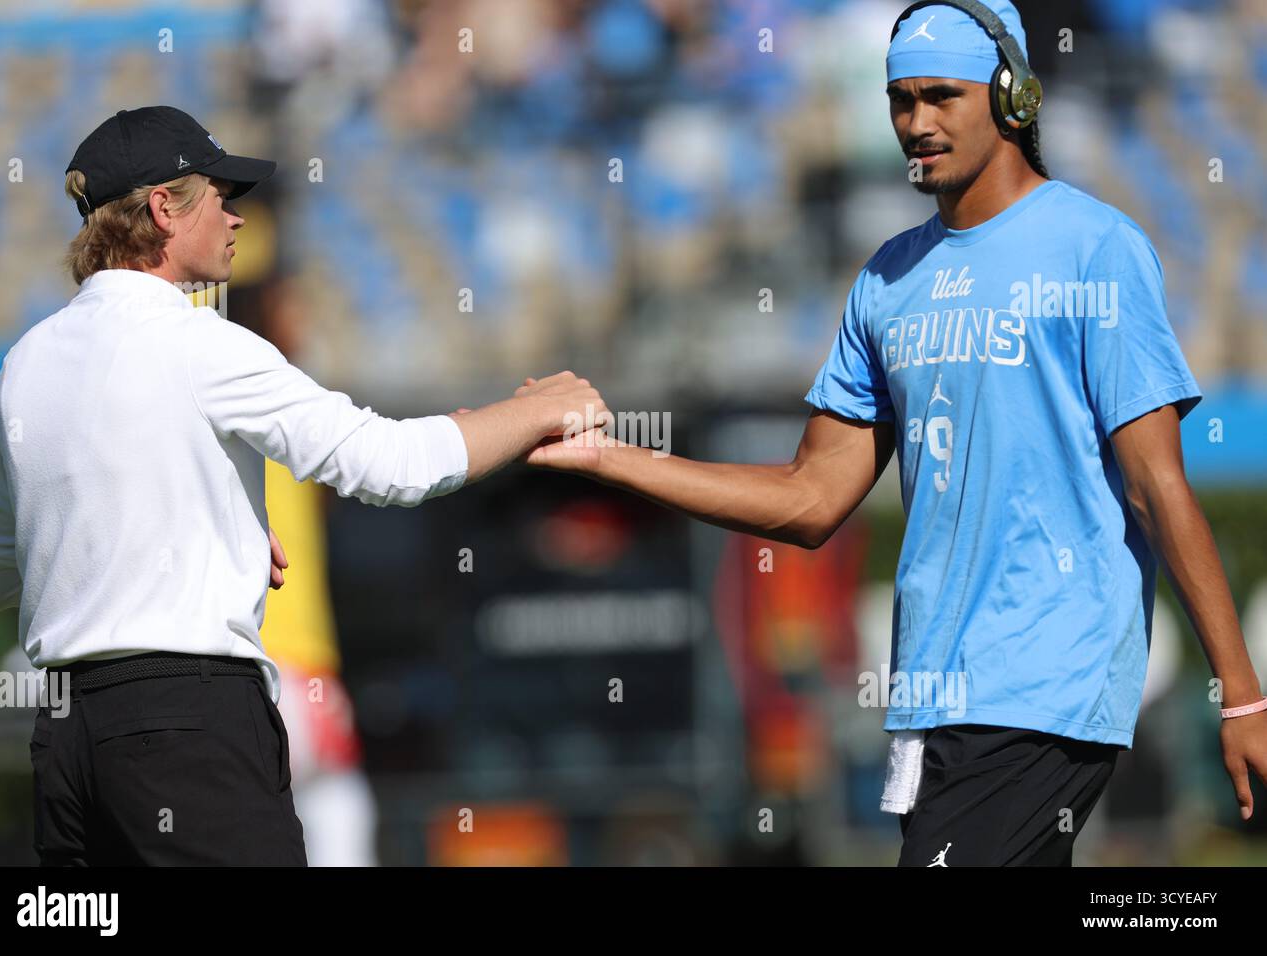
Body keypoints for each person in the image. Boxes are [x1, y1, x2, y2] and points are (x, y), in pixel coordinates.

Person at [525, 0, 1267, 865]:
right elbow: (809, 499)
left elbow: (1155, 485)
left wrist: (1242, 693)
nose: (917, 123)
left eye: (942, 96)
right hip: (932, 696)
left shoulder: (1094, 248)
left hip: (1039, 686)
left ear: (1014, 98)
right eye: (901, 101)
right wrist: (614, 458)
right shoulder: (886, 279)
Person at [0, 105, 608, 866]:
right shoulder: (206, 343)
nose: (236, 218)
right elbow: (390, 464)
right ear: (165, 208)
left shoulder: (26, 363)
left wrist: (192, 525)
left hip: (67, 735)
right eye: (220, 195)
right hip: (190, 724)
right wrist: (532, 411)